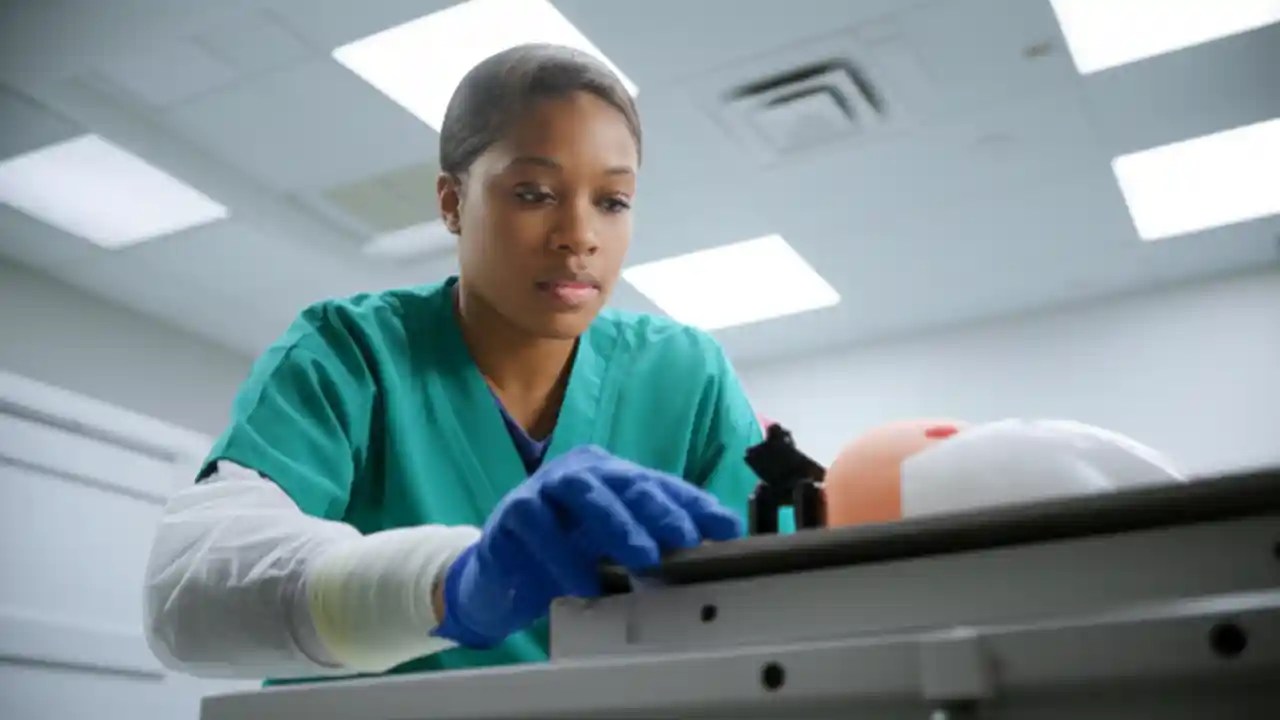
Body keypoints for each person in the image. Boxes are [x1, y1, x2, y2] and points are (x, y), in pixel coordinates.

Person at [141, 43, 764, 683]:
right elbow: (187, 591)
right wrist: (445, 583)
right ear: (451, 202)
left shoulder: (688, 377)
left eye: (612, 201)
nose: (580, 234)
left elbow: (775, 606)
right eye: (534, 192)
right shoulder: (351, 355)